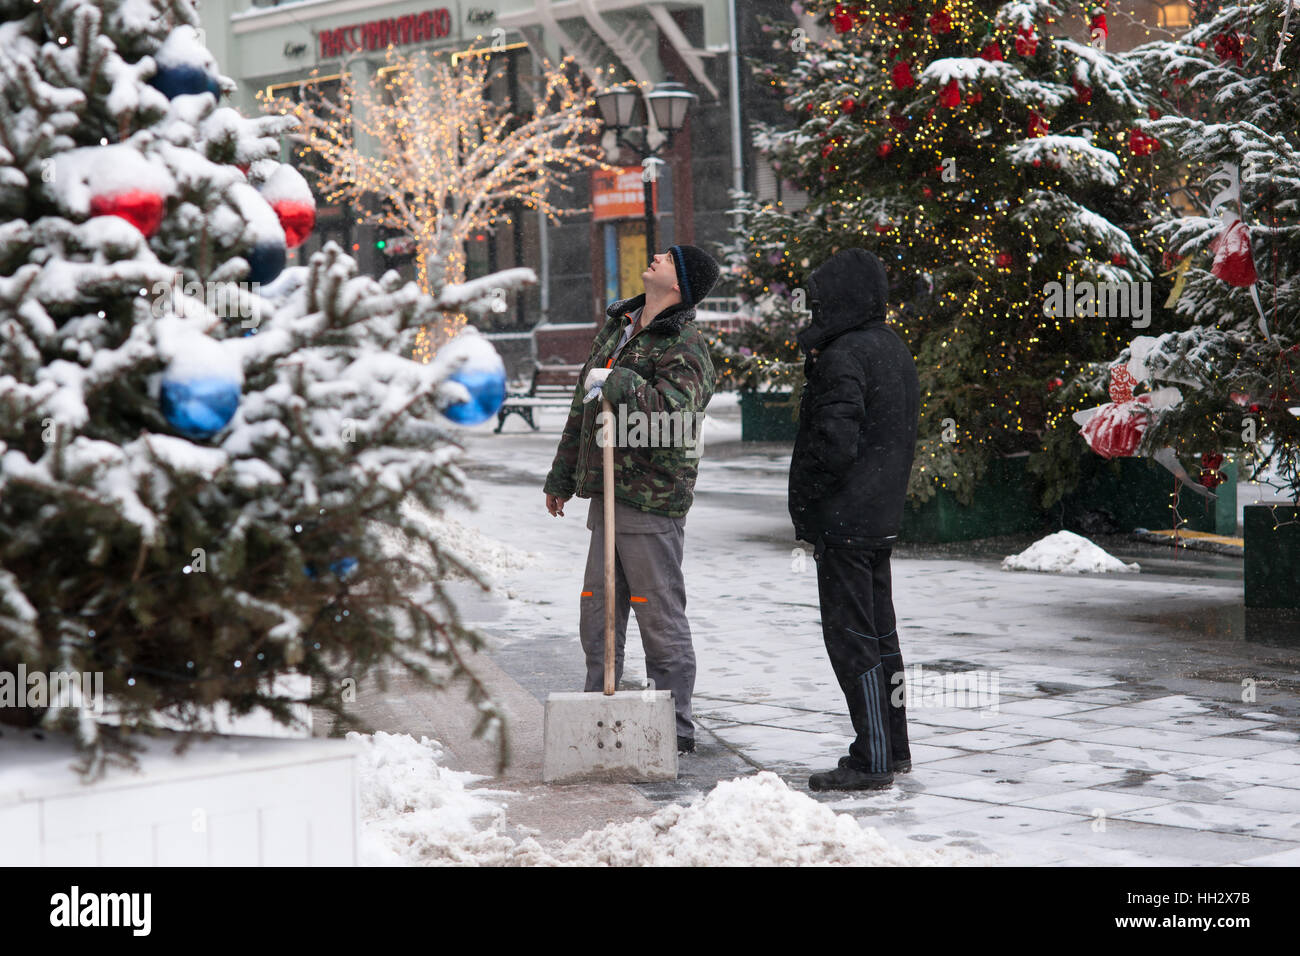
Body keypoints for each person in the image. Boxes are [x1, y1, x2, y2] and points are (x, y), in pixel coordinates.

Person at [543, 245, 719, 754]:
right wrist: (561, 478)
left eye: (666, 257)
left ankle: (676, 726)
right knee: (598, 610)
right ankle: (601, 708)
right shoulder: (621, 326)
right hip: (607, 495)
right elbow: (584, 408)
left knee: (657, 615)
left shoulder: (685, 344)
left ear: (680, 284)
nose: (656, 256)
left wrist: (618, 380)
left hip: (650, 499)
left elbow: (672, 420)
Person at [788, 247, 920, 791]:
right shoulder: (891, 347)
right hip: (878, 516)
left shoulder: (843, 354)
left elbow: (833, 443)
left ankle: (872, 758)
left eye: (819, 300)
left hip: (846, 521)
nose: (812, 310)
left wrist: (811, 501)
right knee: (882, 635)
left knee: (851, 640)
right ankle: (894, 745)